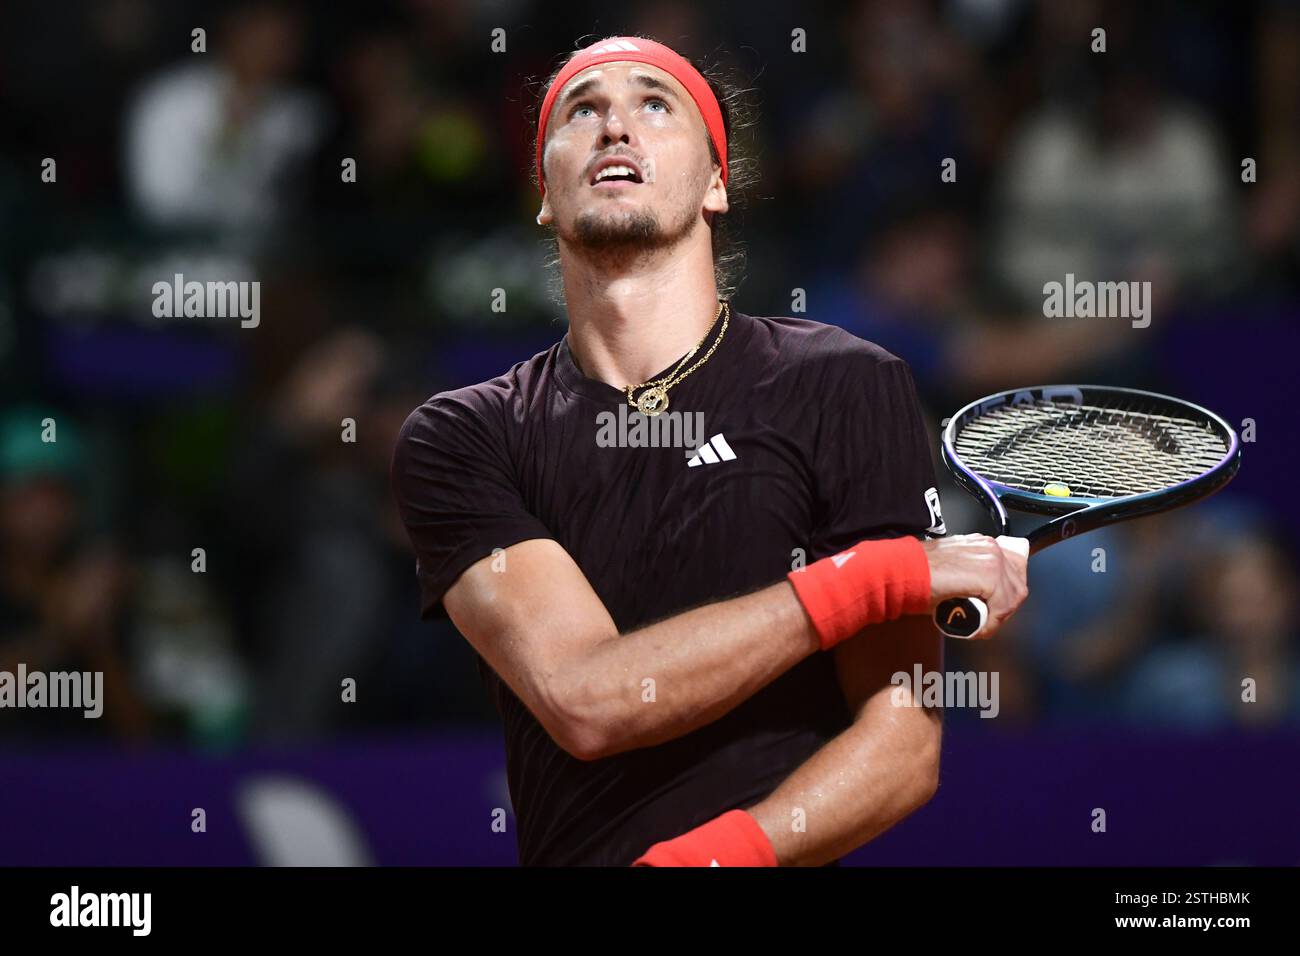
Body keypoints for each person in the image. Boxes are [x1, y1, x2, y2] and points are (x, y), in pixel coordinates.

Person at [391, 35, 1028, 867]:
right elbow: (588, 699)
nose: (615, 125)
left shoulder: (846, 384)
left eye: (656, 104)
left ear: (717, 181)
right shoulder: (462, 435)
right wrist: (882, 578)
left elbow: (903, 745)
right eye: (582, 111)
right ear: (544, 193)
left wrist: (715, 861)